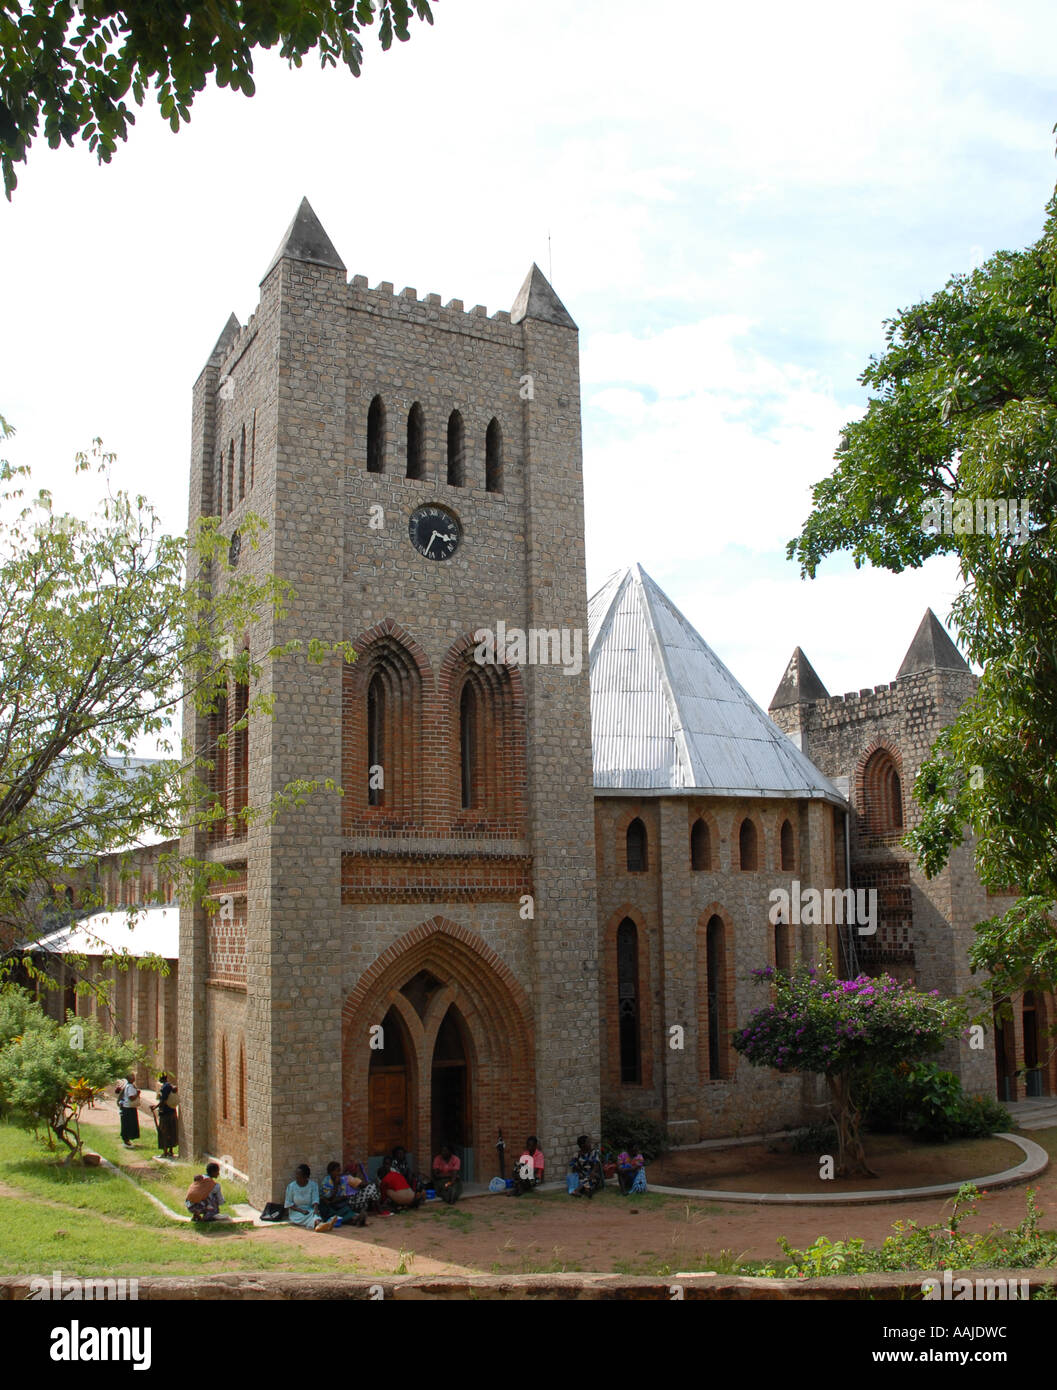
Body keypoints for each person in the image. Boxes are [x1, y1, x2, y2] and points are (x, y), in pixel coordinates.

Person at [284, 1164, 338, 1231]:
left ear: (305, 1176)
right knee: (309, 1216)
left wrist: (315, 1210)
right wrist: (302, 1211)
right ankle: (321, 1225)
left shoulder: (313, 1185)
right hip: (296, 1212)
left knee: (314, 1214)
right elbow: (288, 1203)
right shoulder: (291, 1186)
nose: (297, 1177)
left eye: (299, 1175)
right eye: (296, 1175)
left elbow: (315, 1199)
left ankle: (320, 1225)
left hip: (309, 1210)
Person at [320, 1161, 368, 1227]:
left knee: (345, 1208)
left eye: (339, 1171)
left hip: (337, 1204)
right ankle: (355, 1220)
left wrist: (332, 1200)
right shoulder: (326, 1181)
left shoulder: (342, 1180)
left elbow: (343, 1196)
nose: (339, 1173)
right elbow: (328, 1197)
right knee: (325, 1207)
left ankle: (355, 1219)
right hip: (330, 1207)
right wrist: (336, 1186)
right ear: (330, 1172)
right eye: (337, 1171)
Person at [152, 1073, 178, 1158]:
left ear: (161, 1078)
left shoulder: (164, 1088)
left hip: (166, 1113)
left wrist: (155, 1107)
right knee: (171, 1131)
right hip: (172, 1111)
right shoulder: (169, 1086)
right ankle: (170, 1151)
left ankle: (165, 1152)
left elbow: (163, 1100)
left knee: (164, 1132)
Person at [116, 1073, 140, 1148]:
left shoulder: (129, 1086)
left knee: (127, 1124)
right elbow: (131, 1098)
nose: (134, 1078)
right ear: (129, 1079)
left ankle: (127, 1140)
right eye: (132, 1077)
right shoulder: (129, 1087)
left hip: (127, 1107)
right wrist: (138, 1094)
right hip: (128, 1108)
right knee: (128, 1124)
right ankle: (126, 1141)